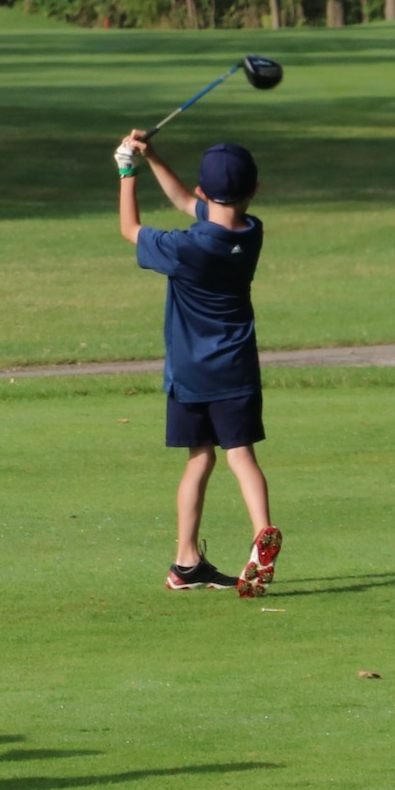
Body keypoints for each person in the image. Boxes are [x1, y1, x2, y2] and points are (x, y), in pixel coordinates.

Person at [115, 133, 283, 597]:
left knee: (199, 459)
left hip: (190, 373)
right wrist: (153, 157)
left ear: (204, 191)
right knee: (241, 456)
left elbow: (130, 229)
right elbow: (187, 203)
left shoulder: (185, 247)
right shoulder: (251, 232)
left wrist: (127, 170)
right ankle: (261, 531)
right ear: (254, 190)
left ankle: (185, 560)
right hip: (237, 369)